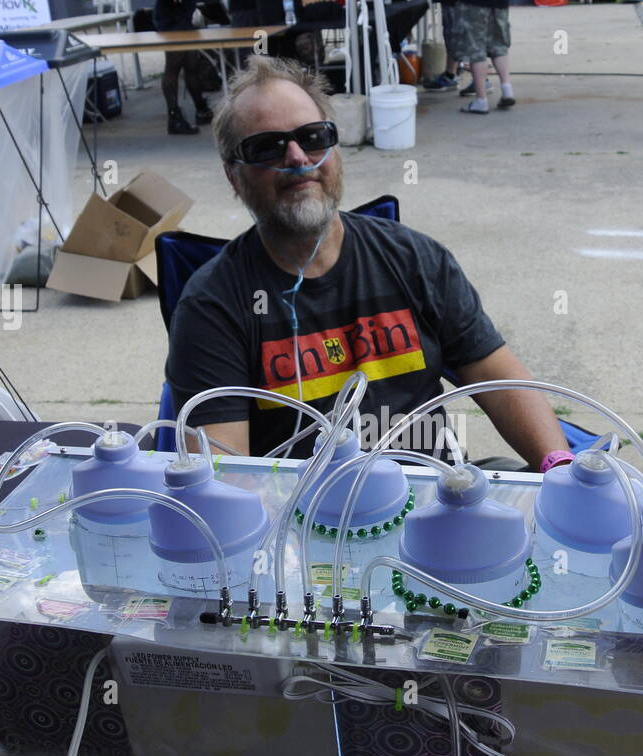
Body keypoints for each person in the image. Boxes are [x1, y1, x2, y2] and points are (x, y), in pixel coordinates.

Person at [166, 57, 569, 472]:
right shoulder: (213, 305)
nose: (298, 157)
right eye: (267, 146)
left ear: (336, 152)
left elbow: (500, 382)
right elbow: (226, 478)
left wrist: (557, 465)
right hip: (303, 518)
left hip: (438, 500)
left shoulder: (415, 260)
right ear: (234, 175)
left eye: (314, 136)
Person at [153, 0, 215, 134]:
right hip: (171, 21)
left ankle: (201, 110)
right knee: (173, 66)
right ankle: (174, 117)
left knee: (192, 64)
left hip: (185, 18)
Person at [455, 0, 514, 114]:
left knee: (475, 48)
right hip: (500, 4)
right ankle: (507, 90)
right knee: (499, 45)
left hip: (474, 4)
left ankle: (481, 100)